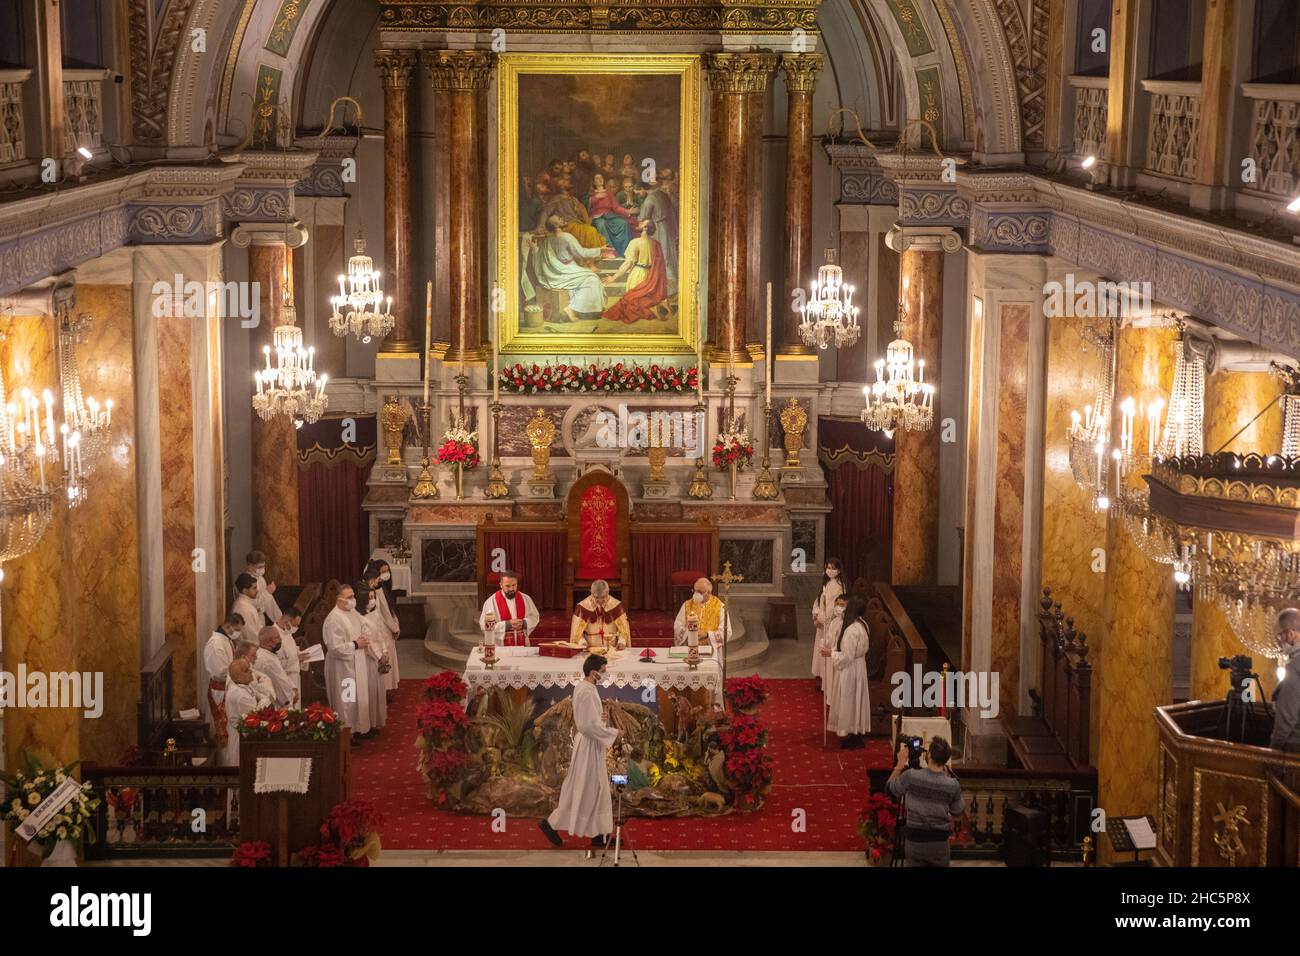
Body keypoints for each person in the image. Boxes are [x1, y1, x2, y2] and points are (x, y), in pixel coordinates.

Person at [538, 654, 621, 848]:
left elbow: (590, 719)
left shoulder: (587, 688)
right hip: (589, 746)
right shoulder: (587, 691)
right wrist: (614, 732)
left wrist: (602, 721)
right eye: (603, 671)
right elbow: (587, 725)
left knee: (594, 789)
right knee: (588, 789)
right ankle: (552, 824)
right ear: (594, 673)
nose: (605, 675)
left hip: (591, 745)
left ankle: (599, 834)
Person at [886, 735, 964, 867]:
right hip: (939, 845)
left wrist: (899, 765)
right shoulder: (952, 784)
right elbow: (958, 812)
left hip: (915, 842)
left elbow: (890, 789)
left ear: (929, 756)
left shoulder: (911, 776)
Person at [322, 584, 380, 742]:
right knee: (347, 701)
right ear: (339, 600)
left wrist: (366, 636)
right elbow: (334, 648)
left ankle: (362, 727)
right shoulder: (334, 619)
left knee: (360, 696)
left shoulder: (351, 611)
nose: (353, 600)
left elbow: (365, 624)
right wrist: (355, 644)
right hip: (343, 666)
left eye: (353, 596)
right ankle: (347, 734)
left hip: (358, 661)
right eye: (349, 597)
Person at [822, 594, 870, 748]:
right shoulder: (863, 624)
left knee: (848, 701)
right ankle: (855, 732)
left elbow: (847, 656)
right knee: (856, 700)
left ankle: (849, 732)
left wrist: (831, 654)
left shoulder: (851, 630)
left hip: (850, 670)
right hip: (859, 667)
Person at [603, 220, 669, 325]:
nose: (639, 222)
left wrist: (613, 278)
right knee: (640, 297)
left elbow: (628, 264)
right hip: (652, 277)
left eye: (642, 222)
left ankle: (649, 309)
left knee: (632, 302)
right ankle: (652, 306)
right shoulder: (656, 243)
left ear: (645, 228)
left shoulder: (635, 242)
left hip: (638, 275)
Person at [202, 613, 244, 751]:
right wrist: (240, 673)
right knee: (224, 729)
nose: (238, 633)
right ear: (227, 626)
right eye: (237, 629)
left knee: (231, 730)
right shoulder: (215, 644)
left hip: (228, 687)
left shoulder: (226, 639)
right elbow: (220, 672)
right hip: (220, 690)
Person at [221, 656, 271, 767]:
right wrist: (264, 701)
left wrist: (264, 700)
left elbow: (264, 697)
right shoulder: (240, 695)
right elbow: (256, 716)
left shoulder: (242, 685)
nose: (251, 672)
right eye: (247, 670)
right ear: (238, 676)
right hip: (242, 738)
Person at [366, 560, 402, 697]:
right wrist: (395, 628)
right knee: (385, 658)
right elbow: (386, 613)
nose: (386, 574)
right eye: (383, 572)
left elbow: (390, 610)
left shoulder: (381, 586)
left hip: (386, 627)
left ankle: (386, 689)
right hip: (383, 628)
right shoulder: (376, 589)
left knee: (389, 657)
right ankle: (384, 689)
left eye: (387, 571)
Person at [479, 570, 540, 646]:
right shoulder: (491, 602)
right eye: (507, 586)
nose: (511, 589)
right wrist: (507, 625)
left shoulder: (526, 599)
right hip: (501, 647)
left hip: (522, 645)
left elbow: (535, 617)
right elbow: (485, 626)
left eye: (514, 585)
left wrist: (524, 623)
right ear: (501, 585)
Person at [811, 559, 845, 689]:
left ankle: (827, 682)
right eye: (828, 567)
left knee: (826, 650)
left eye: (833, 568)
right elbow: (819, 599)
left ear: (839, 570)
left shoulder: (839, 586)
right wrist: (815, 612)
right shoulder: (827, 583)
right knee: (819, 651)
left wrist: (820, 618)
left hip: (829, 624)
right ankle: (821, 677)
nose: (830, 570)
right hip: (821, 622)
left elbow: (832, 608)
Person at [1270, 608, 1300, 752]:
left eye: (1281, 635)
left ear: (1290, 634)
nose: (1280, 641)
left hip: (1294, 747)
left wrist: (1273, 749)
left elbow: (1287, 718)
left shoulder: (1294, 667)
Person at [570, 579, 631, 649]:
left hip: (612, 649)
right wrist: (582, 642)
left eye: (603, 597)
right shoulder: (582, 607)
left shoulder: (617, 606)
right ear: (591, 592)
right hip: (590, 649)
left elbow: (623, 631)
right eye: (596, 597)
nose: (600, 601)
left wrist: (621, 642)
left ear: (608, 592)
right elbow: (576, 634)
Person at [673, 577, 731, 647]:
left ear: (709, 592)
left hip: (710, 648)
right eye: (695, 591)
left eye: (700, 592)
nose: (696, 594)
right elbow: (678, 625)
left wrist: (707, 635)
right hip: (689, 647)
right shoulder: (687, 605)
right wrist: (690, 632)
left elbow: (726, 632)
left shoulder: (719, 607)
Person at [254, 626, 296, 707]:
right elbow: (279, 685)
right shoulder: (266, 660)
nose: (281, 639)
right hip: (277, 705)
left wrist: (292, 688)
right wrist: (289, 700)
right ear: (269, 641)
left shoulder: (269, 655)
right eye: (277, 637)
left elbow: (282, 676)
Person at [273, 609, 308, 707]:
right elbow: (277, 662)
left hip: (294, 677)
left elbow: (292, 652)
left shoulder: (287, 634)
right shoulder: (274, 635)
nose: (296, 628)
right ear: (286, 622)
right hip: (285, 679)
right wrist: (297, 659)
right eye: (295, 625)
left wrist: (300, 654)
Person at [245, 549, 283, 625]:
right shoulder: (244, 580)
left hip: (261, 618)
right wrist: (267, 593)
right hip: (249, 618)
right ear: (249, 565)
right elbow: (250, 604)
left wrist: (279, 618)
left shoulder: (261, 579)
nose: (262, 569)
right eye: (259, 567)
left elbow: (268, 602)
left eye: (263, 566)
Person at [231, 573, 263, 644]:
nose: (257, 590)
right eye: (254, 588)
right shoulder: (243, 608)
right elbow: (250, 636)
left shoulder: (246, 604)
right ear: (245, 591)